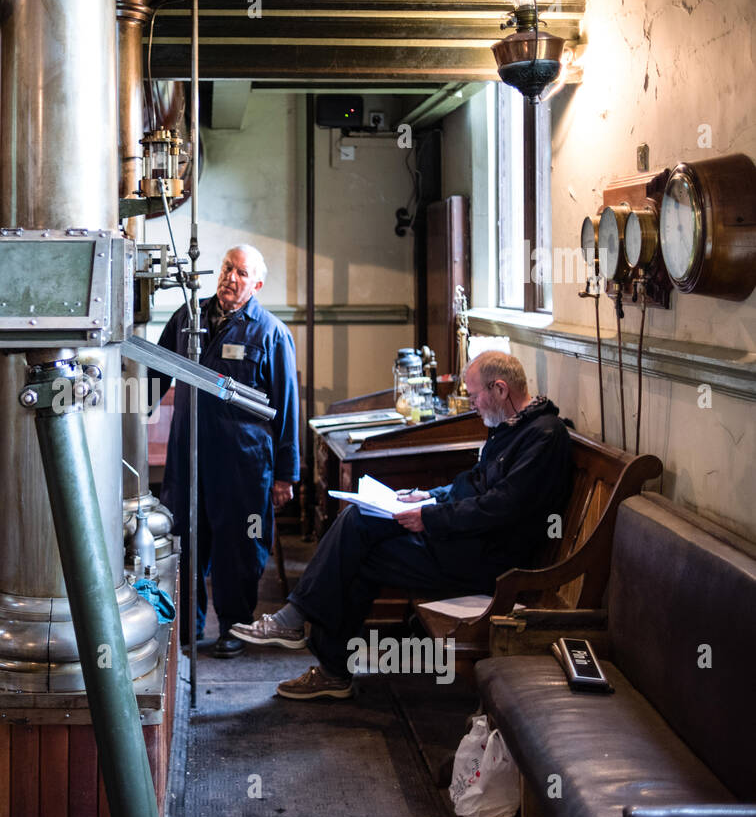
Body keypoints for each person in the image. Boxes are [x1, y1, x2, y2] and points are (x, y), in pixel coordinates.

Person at [230, 350, 572, 697]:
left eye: (474, 394)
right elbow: (473, 483)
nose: (471, 403)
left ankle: (311, 642)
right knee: (358, 531)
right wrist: (427, 496)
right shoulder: (509, 424)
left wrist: (428, 517)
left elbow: (501, 508)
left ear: (500, 389)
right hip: (465, 542)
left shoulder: (543, 436)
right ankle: (314, 647)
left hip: (492, 563)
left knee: (357, 546)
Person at [156, 245, 300, 657]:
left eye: (241, 272)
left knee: (239, 550)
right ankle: (186, 631)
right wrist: (120, 416)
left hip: (244, 466)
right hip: (187, 461)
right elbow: (154, 374)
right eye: (226, 268)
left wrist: (286, 475)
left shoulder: (270, 333)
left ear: (255, 284)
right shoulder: (188, 317)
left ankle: (234, 630)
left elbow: (287, 406)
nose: (230, 278)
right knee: (183, 545)